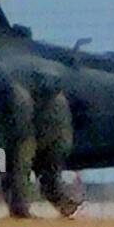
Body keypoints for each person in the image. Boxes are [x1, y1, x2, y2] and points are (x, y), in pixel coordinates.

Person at [0, 68, 37, 218]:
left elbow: (19, 124)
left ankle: (22, 210)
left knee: (19, 174)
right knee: (3, 172)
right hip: (4, 141)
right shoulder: (2, 95)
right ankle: (15, 209)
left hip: (19, 140)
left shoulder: (15, 97)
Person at [32, 75, 81, 217]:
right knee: (49, 179)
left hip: (53, 147)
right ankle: (66, 205)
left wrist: (37, 147)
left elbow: (47, 131)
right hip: (59, 145)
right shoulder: (59, 101)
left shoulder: (51, 105)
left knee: (48, 180)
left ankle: (66, 205)